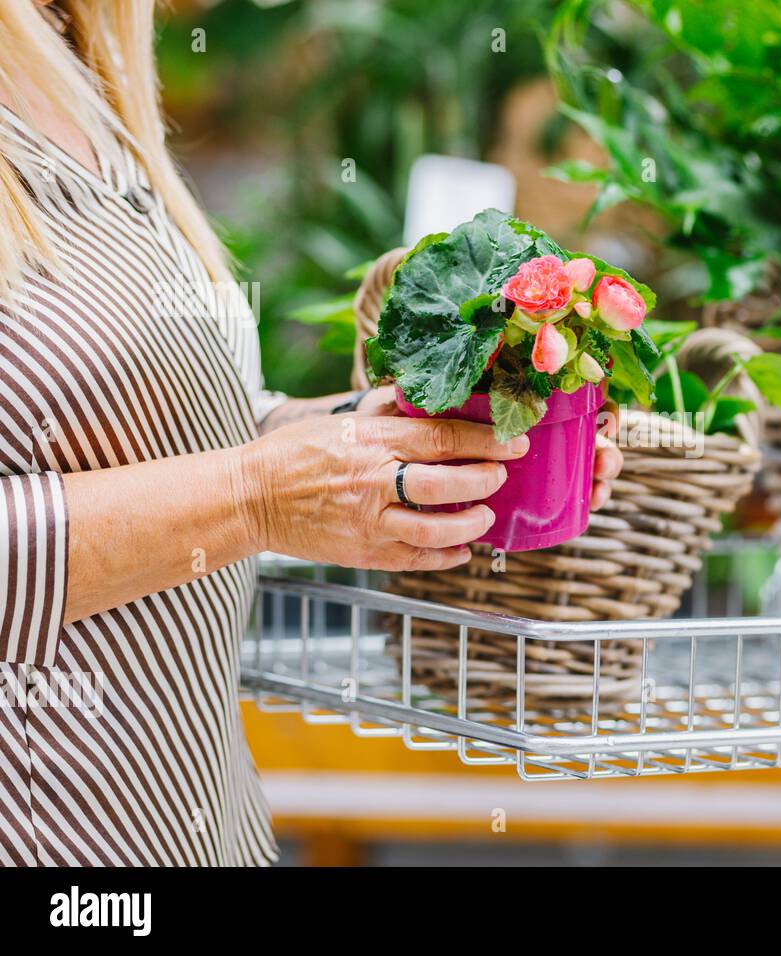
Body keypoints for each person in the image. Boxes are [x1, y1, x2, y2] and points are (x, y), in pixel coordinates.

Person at [0, 0, 621, 865]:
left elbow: (180, 429)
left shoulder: (86, 69)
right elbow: (234, 480)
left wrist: (383, 444)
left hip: (199, 829)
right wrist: (255, 499)